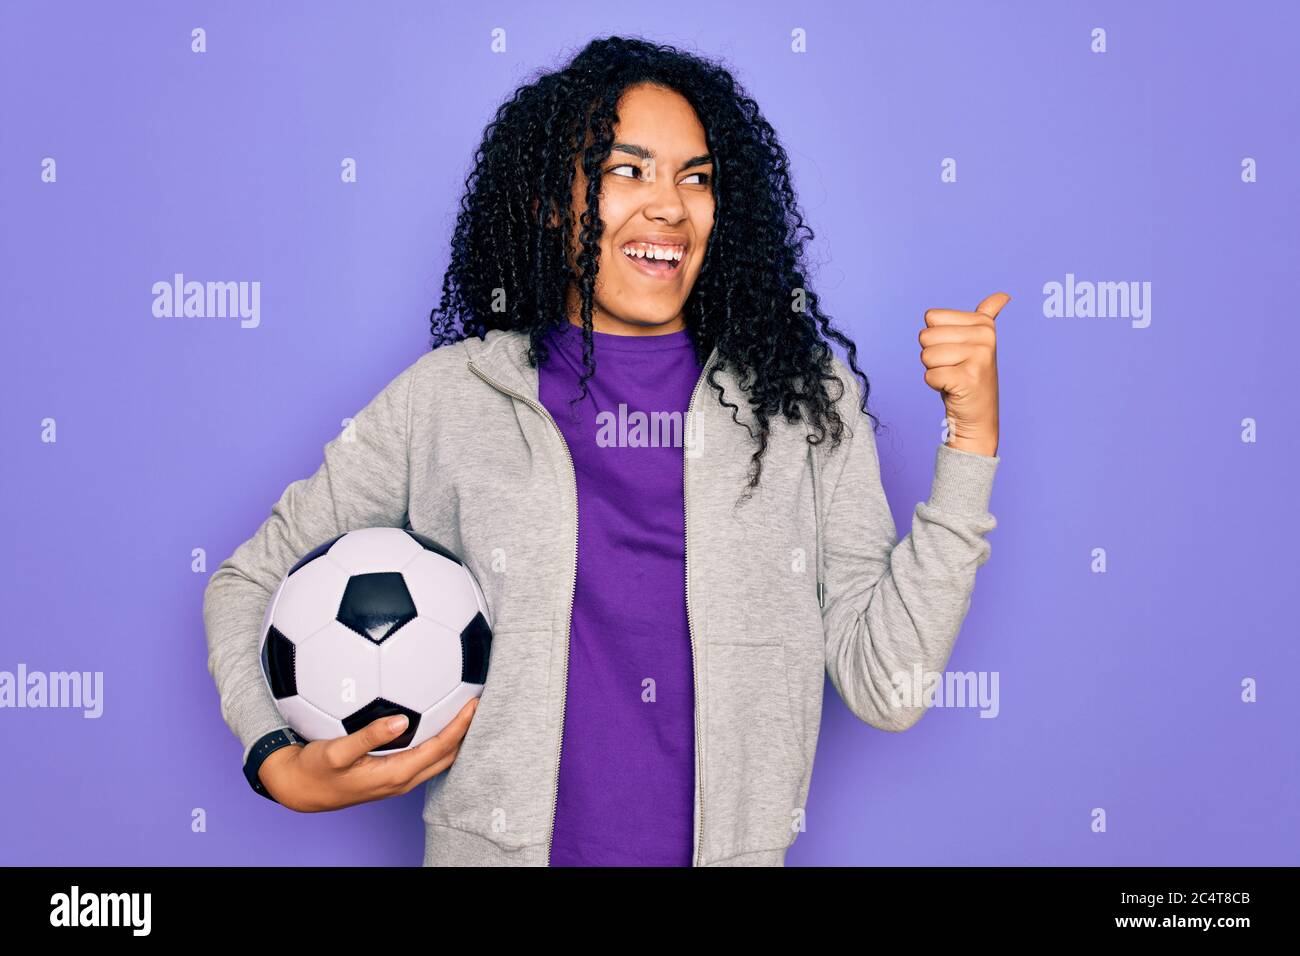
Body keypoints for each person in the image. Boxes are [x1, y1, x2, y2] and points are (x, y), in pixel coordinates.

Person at [203, 35, 1005, 867]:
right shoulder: (449, 400)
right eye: (628, 170)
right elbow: (247, 581)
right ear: (554, 201)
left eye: (696, 179)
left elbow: (887, 683)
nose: (669, 205)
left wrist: (971, 438)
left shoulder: (799, 399)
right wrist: (273, 759)